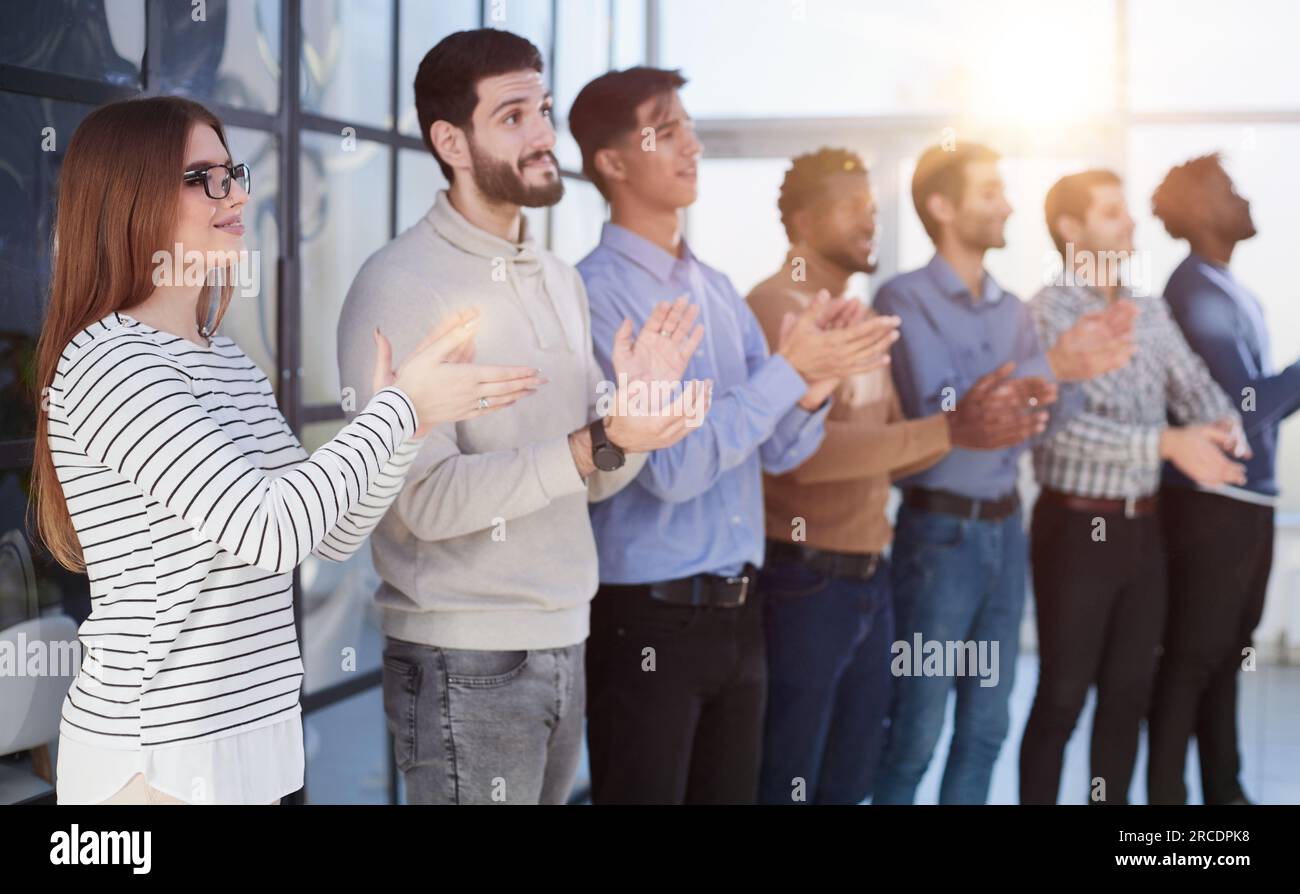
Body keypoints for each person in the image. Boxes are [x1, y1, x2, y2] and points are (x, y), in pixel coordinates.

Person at [30, 95, 541, 805]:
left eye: (232, 172)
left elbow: (326, 534)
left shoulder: (227, 363)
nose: (236, 192)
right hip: (155, 760)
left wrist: (408, 429)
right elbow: (268, 528)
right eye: (204, 177)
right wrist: (402, 408)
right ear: (132, 195)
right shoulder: (112, 363)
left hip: (249, 746)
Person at [337, 31, 706, 805]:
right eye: (513, 117)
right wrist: (584, 446)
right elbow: (420, 502)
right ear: (451, 141)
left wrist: (625, 430)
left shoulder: (561, 280)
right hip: (463, 660)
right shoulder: (401, 285)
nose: (544, 133)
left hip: (567, 639)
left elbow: (592, 481)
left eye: (541, 109)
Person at [570, 69, 898, 804]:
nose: (691, 144)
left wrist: (810, 382)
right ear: (612, 162)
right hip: (647, 620)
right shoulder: (595, 294)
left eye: (688, 125)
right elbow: (673, 468)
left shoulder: (715, 288)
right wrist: (788, 371)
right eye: (665, 128)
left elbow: (781, 449)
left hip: (740, 616)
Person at [747, 147, 1059, 805]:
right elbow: (801, 458)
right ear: (803, 219)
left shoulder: (858, 318)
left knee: (850, 778)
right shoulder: (775, 307)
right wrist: (951, 429)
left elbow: (896, 447)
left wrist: (972, 426)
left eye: (874, 207)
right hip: (803, 577)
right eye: (853, 208)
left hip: (869, 573)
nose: (872, 221)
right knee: (791, 775)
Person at [871, 142, 1137, 805]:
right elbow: (950, 412)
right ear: (942, 206)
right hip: (939, 538)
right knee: (917, 731)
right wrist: (1053, 369)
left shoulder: (1014, 309)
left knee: (987, 727)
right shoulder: (904, 297)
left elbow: (1041, 419)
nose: (1007, 205)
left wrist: (1079, 369)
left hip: (1004, 534)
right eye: (989, 192)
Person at [1020, 169, 1247, 805]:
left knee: (1127, 696)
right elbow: (1061, 435)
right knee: (1063, 695)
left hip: (1144, 529)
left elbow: (1194, 384)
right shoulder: (1048, 312)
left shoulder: (1148, 308)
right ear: (1071, 228)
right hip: (1075, 529)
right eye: (1112, 212)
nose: (1130, 223)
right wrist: (1167, 443)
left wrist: (1222, 423)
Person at [1147, 154, 1300, 804]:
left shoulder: (1232, 289)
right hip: (1210, 508)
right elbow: (1241, 411)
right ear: (1203, 210)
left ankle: (1225, 797)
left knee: (1225, 654)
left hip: (1246, 504)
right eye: (1232, 191)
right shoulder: (1193, 290)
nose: (1246, 200)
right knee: (1190, 660)